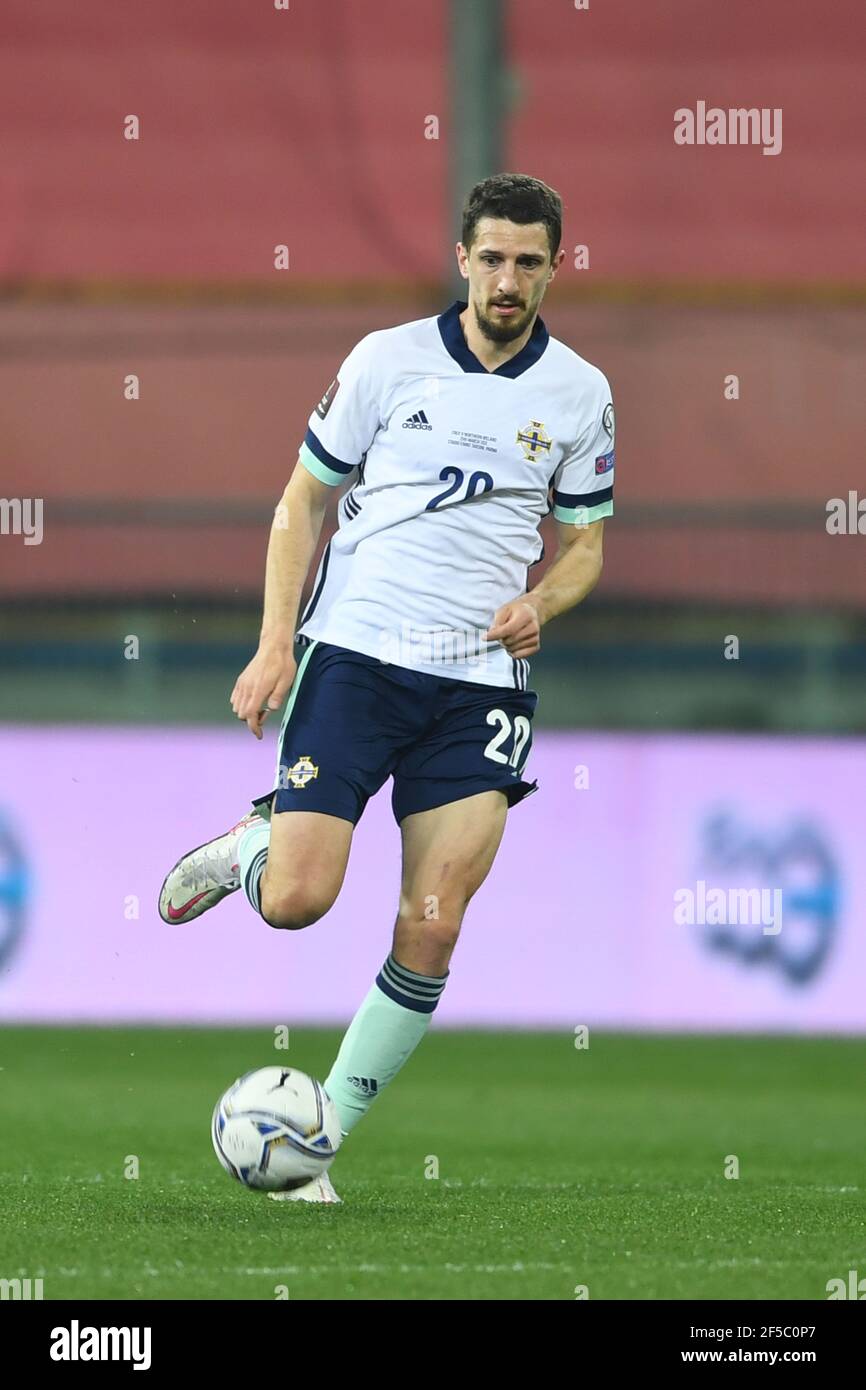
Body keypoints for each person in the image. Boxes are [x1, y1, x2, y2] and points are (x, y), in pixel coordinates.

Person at [158, 173, 615, 1203]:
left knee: (434, 919)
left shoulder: (579, 392)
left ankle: (315, 1143)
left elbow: (586, 544)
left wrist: (545, 597)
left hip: (478, 684)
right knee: (298, 902)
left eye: (527, 262)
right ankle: (252, 851)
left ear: (554, 268)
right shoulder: (385, 360)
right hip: (357, 655)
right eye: (490, 257)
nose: (506, 279)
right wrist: (275, 644)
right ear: (462, 257)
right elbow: (301, 500)